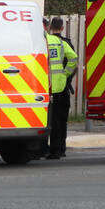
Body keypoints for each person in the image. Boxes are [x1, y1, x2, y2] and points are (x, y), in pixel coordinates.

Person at [45, 16, 78, 160]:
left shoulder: (45, 42)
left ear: (50, 27)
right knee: (60, 121)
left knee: (48, 120)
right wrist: (66, 75)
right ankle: (60, 149)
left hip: (46, 86)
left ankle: (47, 150)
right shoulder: (63, 42)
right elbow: (74, 59)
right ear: (62, 27)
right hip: (61, 86)